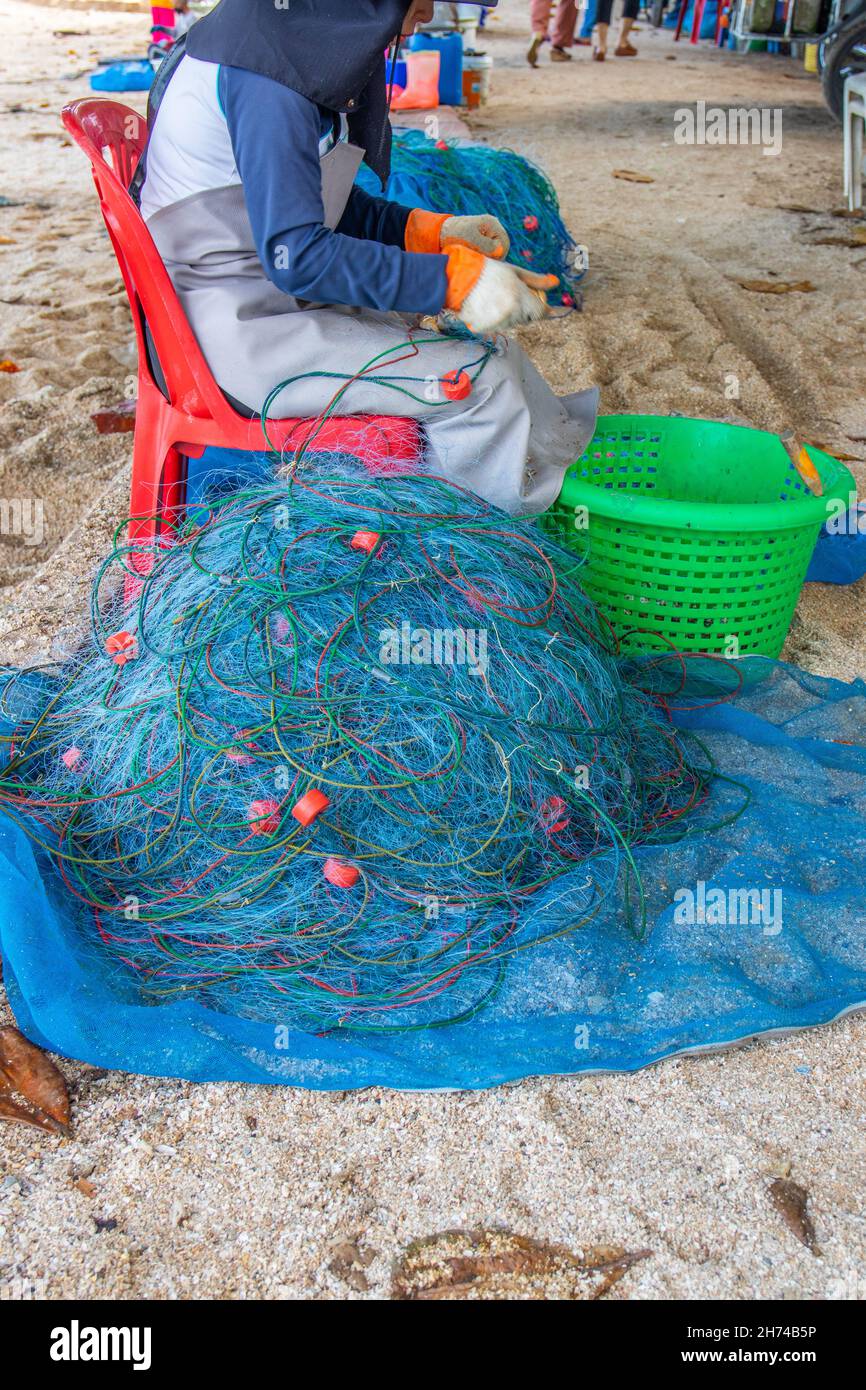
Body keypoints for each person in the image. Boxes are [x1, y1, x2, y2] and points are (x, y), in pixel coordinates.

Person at [135, 0, 597, 516]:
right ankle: (479, 565)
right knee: (479, 385)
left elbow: (304, 198)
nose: (428, 11)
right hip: (232, 334)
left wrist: (425, 231)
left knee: (492, 351)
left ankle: (561, 497)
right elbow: (298, 255)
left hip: (271, 298)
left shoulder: (280, 31)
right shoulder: (266, 73)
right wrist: (457, 283)